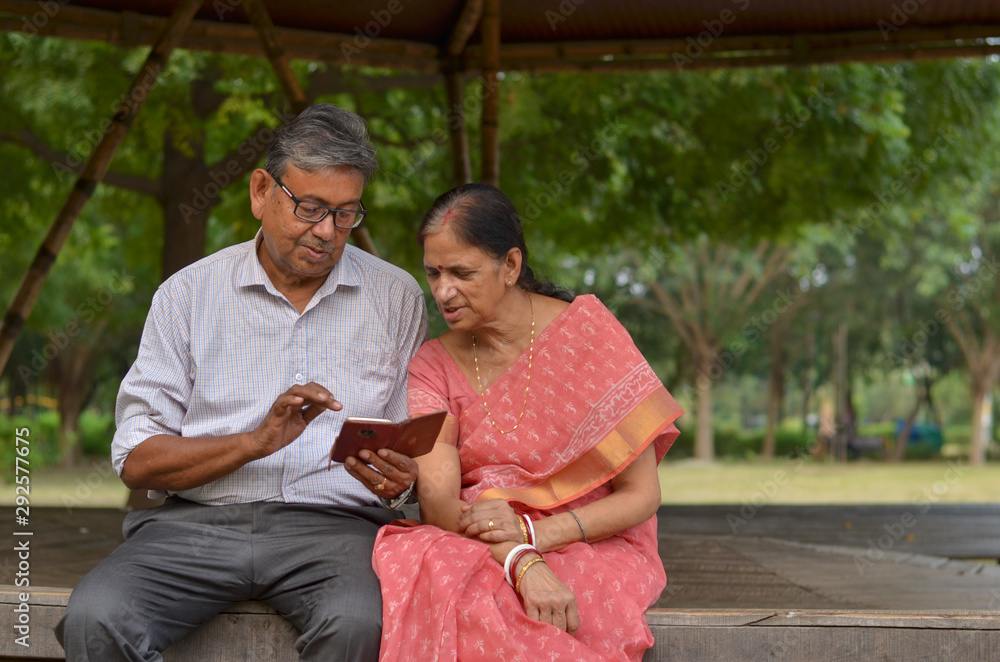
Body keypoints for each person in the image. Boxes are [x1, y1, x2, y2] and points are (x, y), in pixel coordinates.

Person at [55, 103, 428, 662]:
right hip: (196, 526)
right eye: (310, 207)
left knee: (361, 625)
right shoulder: (188, 295)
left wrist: (400, 481)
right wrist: (255, 443)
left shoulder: (397, 297)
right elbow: (136, 458)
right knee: (97, 617)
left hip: (339, 532)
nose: (327, 232)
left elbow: (413, 447)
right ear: (260, 191)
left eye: (346, 214)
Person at [372, 183, 682, 662]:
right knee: (432, 566)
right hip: (478, 538)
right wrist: (520, 557)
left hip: (590, 537)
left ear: (511, 266)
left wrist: (534, 536)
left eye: (462, 272)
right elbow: (438, 504)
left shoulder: (588, 336)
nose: (443, 291)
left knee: (565, 601)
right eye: (433, 273)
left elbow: (642, 495)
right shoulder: (432, 365)